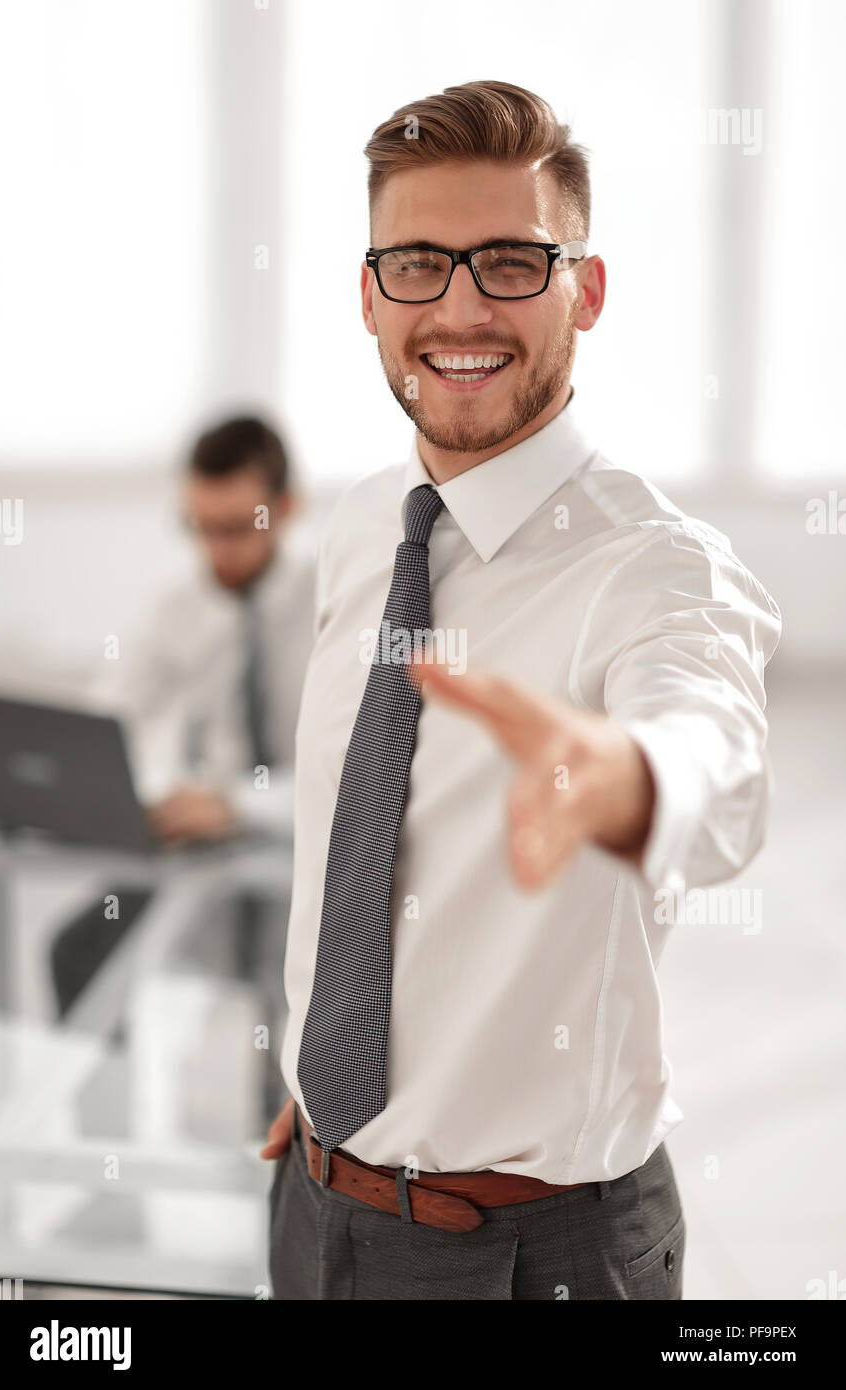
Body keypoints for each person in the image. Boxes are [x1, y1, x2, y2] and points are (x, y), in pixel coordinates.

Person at [260, 81, 782, 1301]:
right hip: (312, 1200)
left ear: (582, 291)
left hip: (524, 1254)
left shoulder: (656, 569)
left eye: (507, 262)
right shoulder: (358, 533)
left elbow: (711, 756)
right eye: (415, 265)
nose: (456, 308)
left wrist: (628, 779)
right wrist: (313, 1081)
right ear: (365, 291)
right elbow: (347, 844)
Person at [52, 417, 315, 1116]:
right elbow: (111, 712)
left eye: (234, 527)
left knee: (292, 1013)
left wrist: (237, 805)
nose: (215, 550)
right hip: (210, 847)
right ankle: (105, 1188)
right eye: (199, 527)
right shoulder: (184, 606)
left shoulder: (338, 603)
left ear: (287, 510)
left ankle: (290, 1198)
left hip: (308, 847)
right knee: (81, 949)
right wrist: (137, 791)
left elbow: (356, 769)